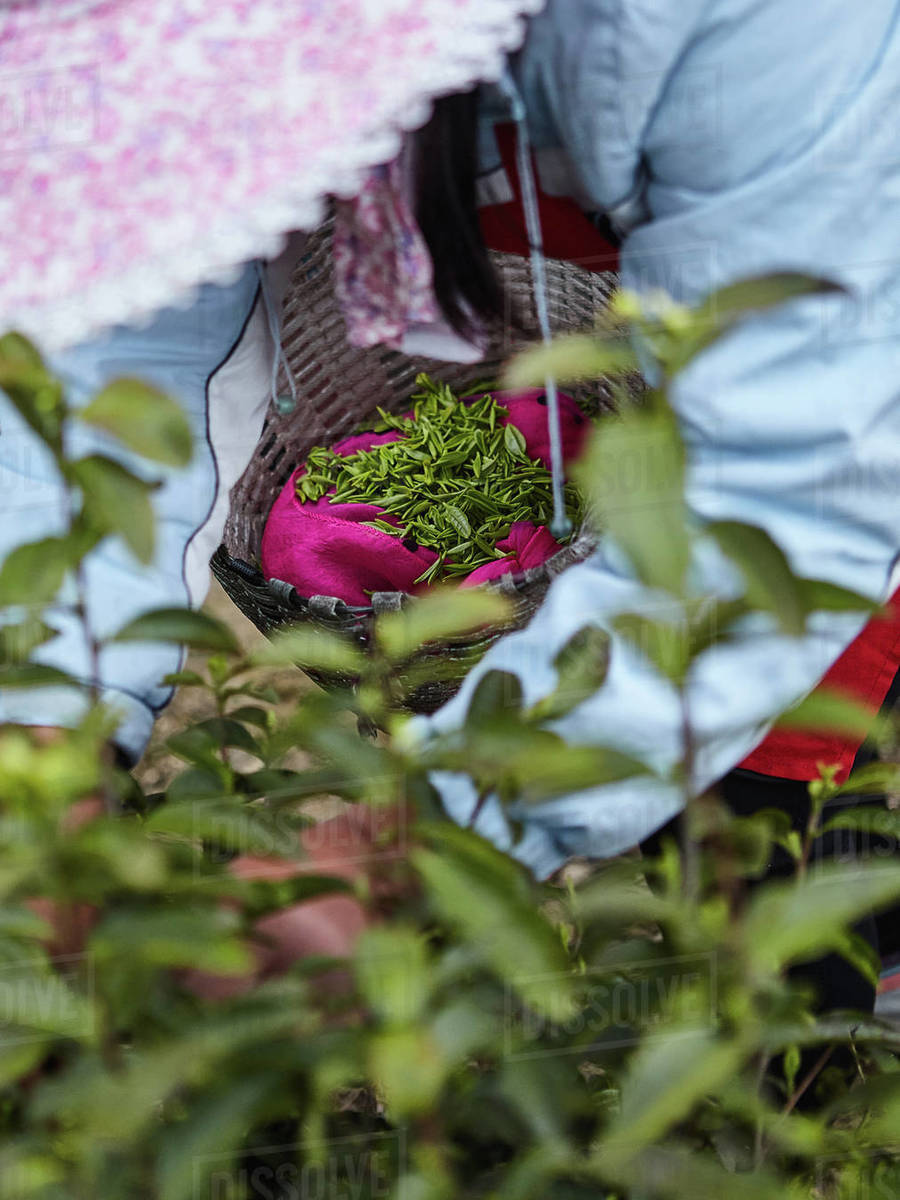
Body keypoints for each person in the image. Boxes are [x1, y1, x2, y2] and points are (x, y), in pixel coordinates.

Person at [4, 1, 900, 1010]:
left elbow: (794, 471)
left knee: (788, 853)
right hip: (619, 317)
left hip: (841, 341)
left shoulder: (761, 27)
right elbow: (110, 362)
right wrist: (45, 730)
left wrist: (425, 833)